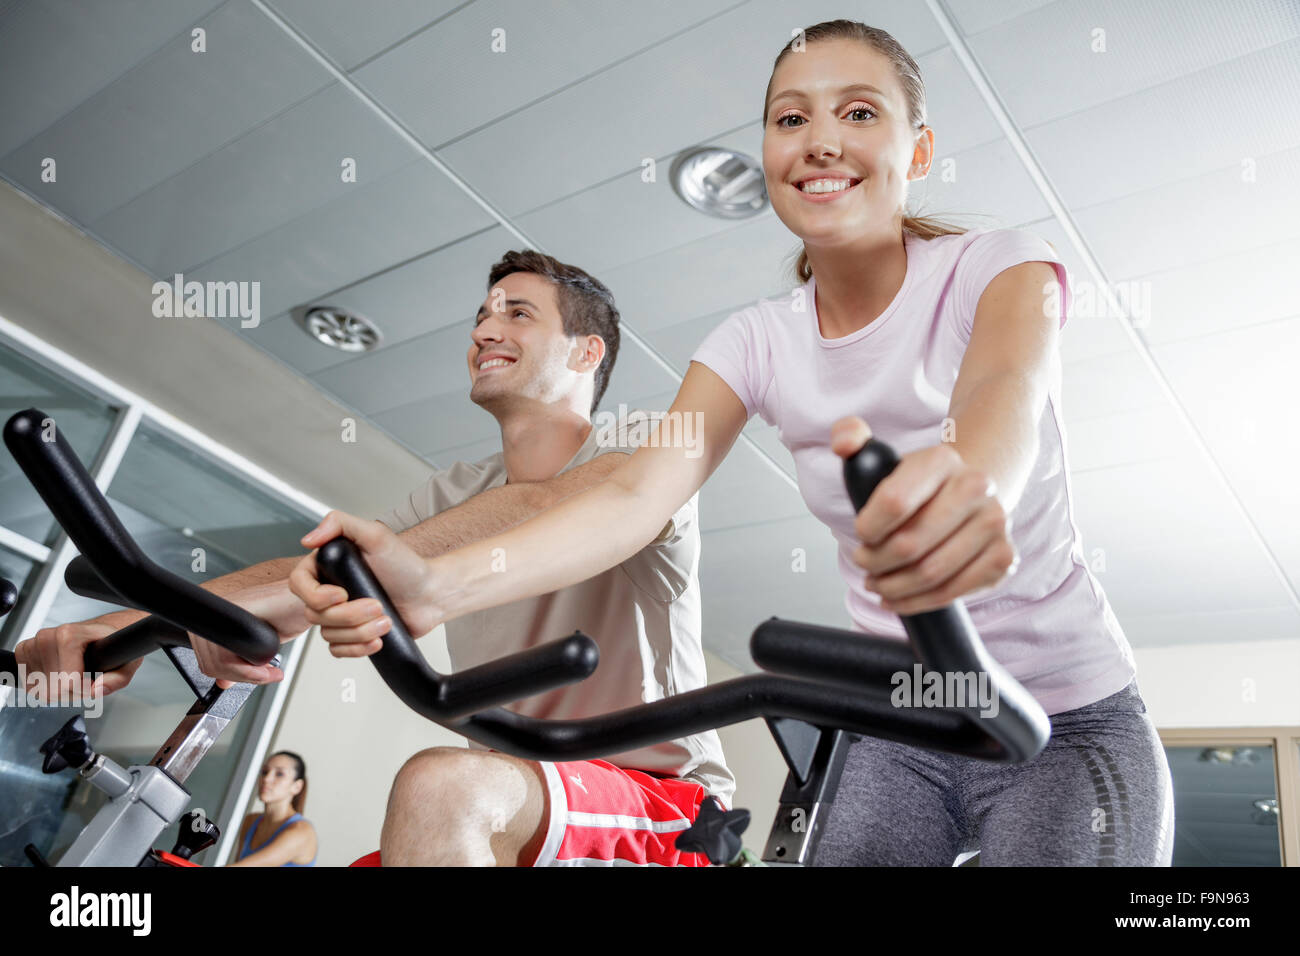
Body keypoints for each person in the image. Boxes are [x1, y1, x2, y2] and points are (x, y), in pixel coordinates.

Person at [289, 19, 1174, 867]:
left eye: (859, 112)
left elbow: (1003, 390)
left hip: (1068, 718)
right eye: (792, 119)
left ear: (920, 150)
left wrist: (969, 489)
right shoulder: (752, 342)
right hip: (905, 720)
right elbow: (636, 495)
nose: (821, 141)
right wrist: (438, 585)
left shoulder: (1001, 266)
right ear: (769, 154)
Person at [15, 249, 732, 868]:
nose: (485, 329)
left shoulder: (640, 444)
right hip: (516, 794)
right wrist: (136, 621)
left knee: (439, 786)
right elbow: (324, 574)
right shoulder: (459, 489)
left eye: (518, 314)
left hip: (660, 805)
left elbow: (552, 507)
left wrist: (398, 574)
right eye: (483, 314)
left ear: (586, 351)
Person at [228, 751, 316, 867]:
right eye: (264, 772)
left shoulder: (302, 832)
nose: (267, 779)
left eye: (279, 774)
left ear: (297, 786)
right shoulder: (251, 821)